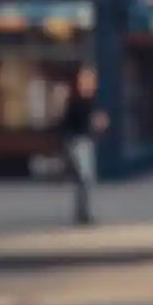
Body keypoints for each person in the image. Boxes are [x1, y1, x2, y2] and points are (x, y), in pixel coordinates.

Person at [57, 65, 107, 225]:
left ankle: (83, 213)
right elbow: (70, 123)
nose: (92, 84)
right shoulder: (76, 101)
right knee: (85, 178)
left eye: (93, 80)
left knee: (85, 180)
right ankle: (83, 214)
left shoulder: (90, 100)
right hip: (79, 142)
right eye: (88, 80)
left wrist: (98, 124)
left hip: (85, 142)